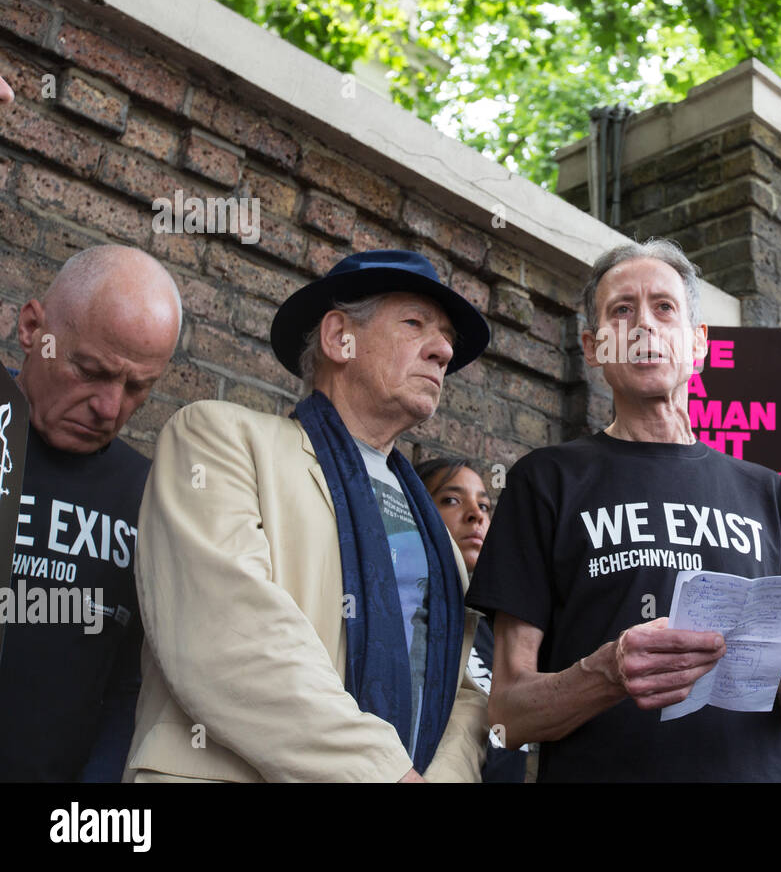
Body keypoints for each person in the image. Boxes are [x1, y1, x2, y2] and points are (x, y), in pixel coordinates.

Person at [466, 238, 781, 782]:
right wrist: (605, 673)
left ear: (698, 344)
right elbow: (508, 717)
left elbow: (776, 714)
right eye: (621, 310)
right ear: (592, 345)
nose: (643, 326)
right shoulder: (546, 481)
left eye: (664, 307)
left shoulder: (765, 492)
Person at [125, 250, 492, 782]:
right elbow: (232, 636)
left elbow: (466, 690)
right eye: (415, 323)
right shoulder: (217, 438)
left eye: (447, 339)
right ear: (338, 336)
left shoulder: (437, 534)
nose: (442, 350)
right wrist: (384, 776)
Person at [0, 244, 182, 781]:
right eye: (90, 369)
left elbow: (134, 684)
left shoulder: (150, 497)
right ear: (33, 328)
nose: (109, 407)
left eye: (136, 387)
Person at [417, 457, 526, 783]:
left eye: (484, 505)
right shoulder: (408, 619)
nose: (476, 514)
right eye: (451, 500)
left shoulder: (494, 629)